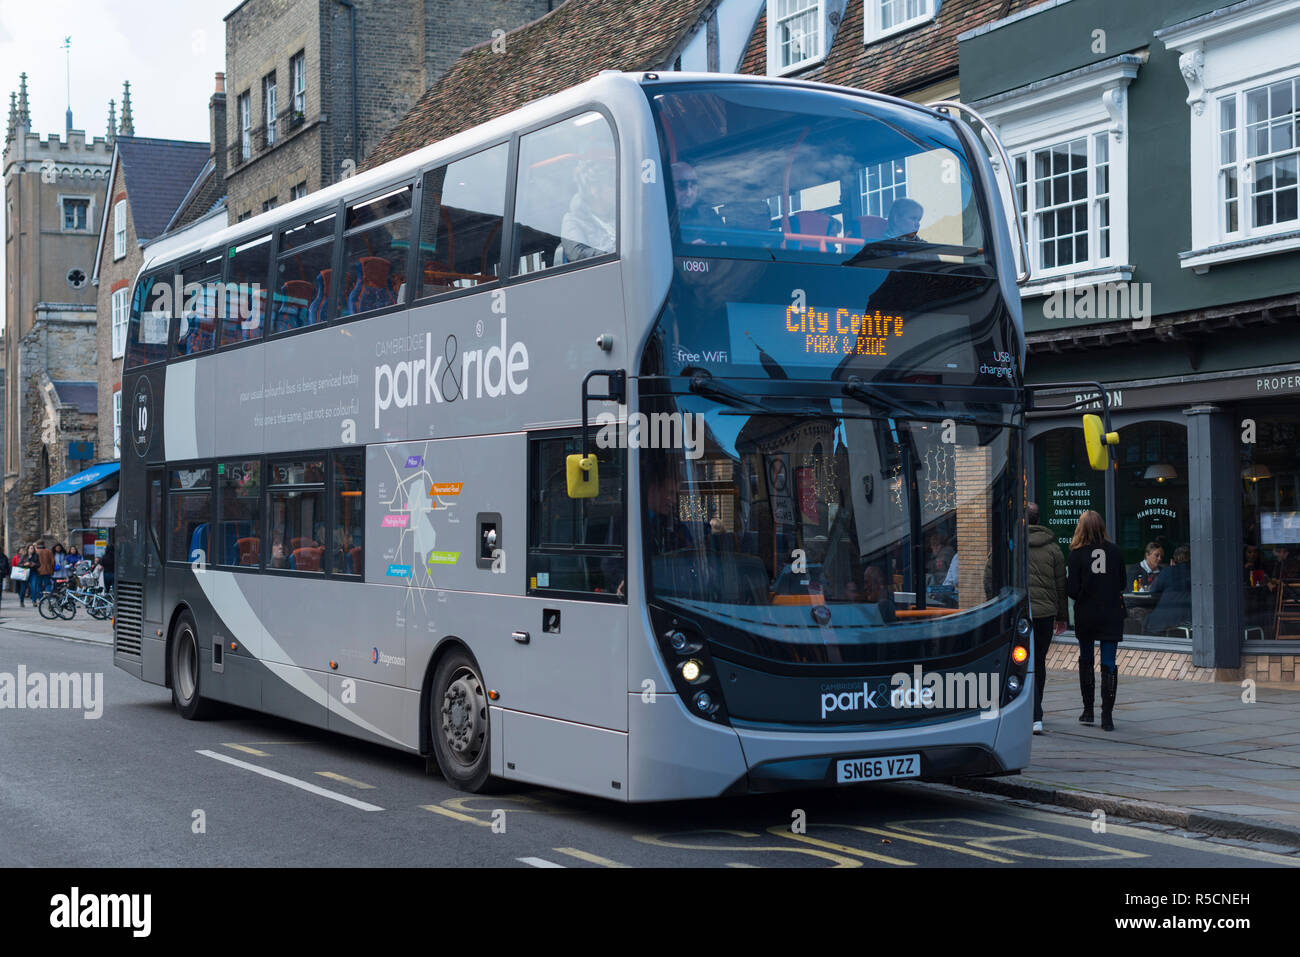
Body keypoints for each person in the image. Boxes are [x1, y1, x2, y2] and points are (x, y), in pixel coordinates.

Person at [1067, 510, 1126, 732]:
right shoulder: (1116, 552)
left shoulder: (1076, 554)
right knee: (1109, 663)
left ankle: (1088, 710)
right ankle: (1107, 717)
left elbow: (1072, 590)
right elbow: (1122, 583)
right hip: (1111, 614)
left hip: (1087, 614)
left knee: (1086, 659)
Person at [1027, 502, 1068, 734]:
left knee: (1020, 662)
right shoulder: (1053, 548)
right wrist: (1062, 617)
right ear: (1038, 518)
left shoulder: (1011, 543)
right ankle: (1037, 712)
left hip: (1020, 613)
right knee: (1039, 661)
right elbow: (1061, 586)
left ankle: (1029, 711)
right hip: (1045, 614)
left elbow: (989, 574)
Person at [560, 158, 617, 263]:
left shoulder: (620, 215)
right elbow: (577, 254)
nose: (616, 188)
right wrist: (612, 253)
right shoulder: (572, 220)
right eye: (610, 184)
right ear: (595, 189)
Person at [671, 162, 724, 242]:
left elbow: (722, 241)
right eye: (682, 185)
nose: (689, 193)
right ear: (668, 186)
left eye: (693, 185)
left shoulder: (709, 216)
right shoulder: (656, 217)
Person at [1145, 545, 1192, 635]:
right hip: (1189, 617)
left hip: (1167, 616)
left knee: (1147, 620)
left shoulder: (1168, 571)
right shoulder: (1197, 572)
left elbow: (1153, 590)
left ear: (1174, 559)